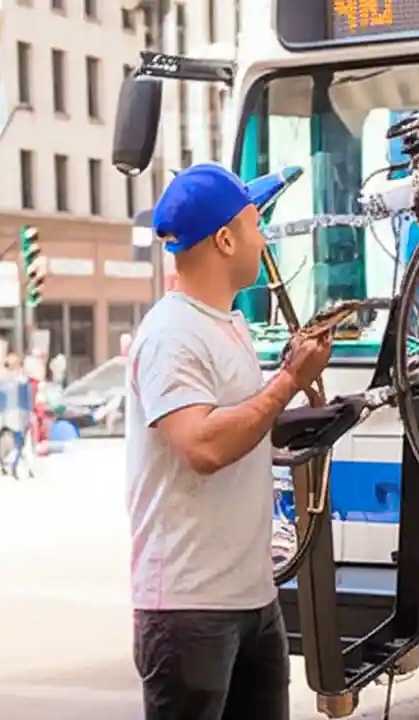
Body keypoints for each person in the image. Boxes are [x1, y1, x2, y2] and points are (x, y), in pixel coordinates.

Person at [125, 163, 332, 720]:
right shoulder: (172, 335)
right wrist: (286, 382)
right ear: (225, 238)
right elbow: (204, 446)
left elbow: (246, 423)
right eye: (255, 223)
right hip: (190, 609)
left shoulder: (229, 324)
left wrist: (312, 403)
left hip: (252, 598)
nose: (263, 238)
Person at [0, 353, 36, 479]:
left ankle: (19, 467)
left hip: (15, 414)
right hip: (15, 414)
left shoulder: (12, 380)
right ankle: (15, 466)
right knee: (19, 442)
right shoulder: (15, 380)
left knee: (20, 442)